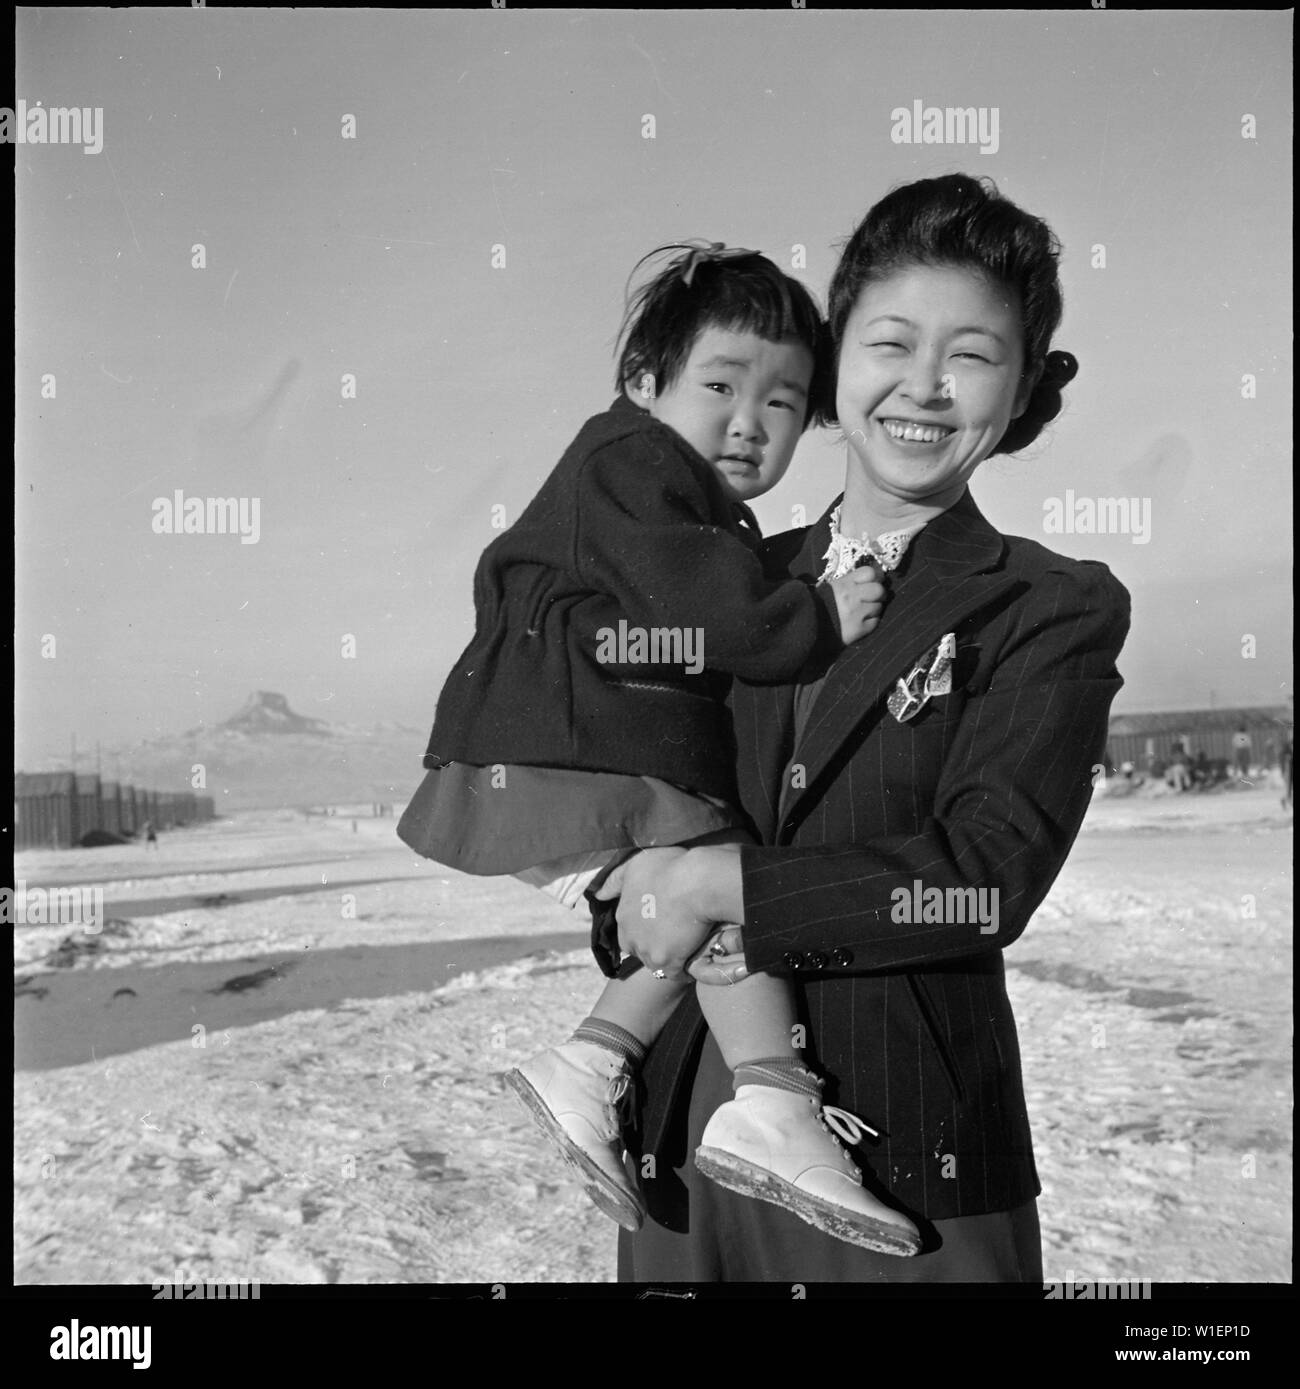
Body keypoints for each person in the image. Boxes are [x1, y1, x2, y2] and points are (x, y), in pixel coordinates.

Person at [595, 175, 1131, 1282]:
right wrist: (621, 895)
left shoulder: (1047, 604)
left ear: (1023, 385)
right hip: (688, 1151)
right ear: (835, 362)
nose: (923, 388)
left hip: (909, 1164)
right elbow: (635, 822)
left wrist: (724, 891)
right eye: (890, 343)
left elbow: (984, 878)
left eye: (972, 356)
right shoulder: (720, 578)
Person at [398, 241, 920, 1253]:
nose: (747, 421)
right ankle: (769, 1109)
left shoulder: (643, 480)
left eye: (781, 403)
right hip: (566, 763)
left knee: (685, 909)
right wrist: (812, 620)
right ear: (644, 381)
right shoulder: (633, 465)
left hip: (560, 753)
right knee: (718, 890)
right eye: (720, 384)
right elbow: (697, 598)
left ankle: (611, 1069)